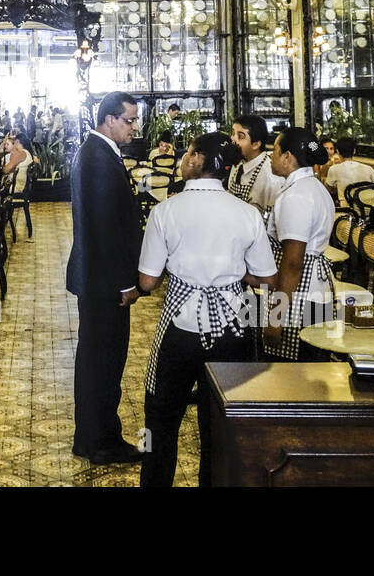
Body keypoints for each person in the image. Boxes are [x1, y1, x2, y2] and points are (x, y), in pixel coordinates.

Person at [136, 132, 276, 487]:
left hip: (180, 328)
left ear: (197, 159)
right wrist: (231, 274)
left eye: (188, 152)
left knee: (162, 419)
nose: (184, 158)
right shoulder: (246, 213)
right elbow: (266, 278)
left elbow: (148, 281)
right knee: (221, 424)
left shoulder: (165, 210)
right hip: (234, 327)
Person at [66, 91, 144, 465]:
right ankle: (101, 442)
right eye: (129, 120)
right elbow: (104, 229)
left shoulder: (98, 152)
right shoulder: (98, 157)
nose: (134, 127)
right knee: (104, 362)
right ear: (109, 119)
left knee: (97, 360)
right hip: (103, 282)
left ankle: (91, 437)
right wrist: (124, 283)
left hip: (96, 279)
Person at [263, 127, 336, 361]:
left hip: (300, 295)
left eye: (274, 150)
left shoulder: (296, 195)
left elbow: (294, 261)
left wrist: (276, 317)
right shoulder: (314, 187)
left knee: (292, 373)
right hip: (316, 291)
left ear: (287, 157)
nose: (271, 156)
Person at [228, 114, 283, 215]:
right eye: (233, 134)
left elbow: (271, 219)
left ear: (256, 144)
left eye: (240, 136)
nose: (233, 139)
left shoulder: (271, 177)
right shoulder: (238, 162)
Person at [324, 137, 374, 205]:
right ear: (354, 151)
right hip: (368, 210)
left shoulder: (334, 169)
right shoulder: (369, 168)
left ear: (337, 151)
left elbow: (327, 190)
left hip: (347, 211)